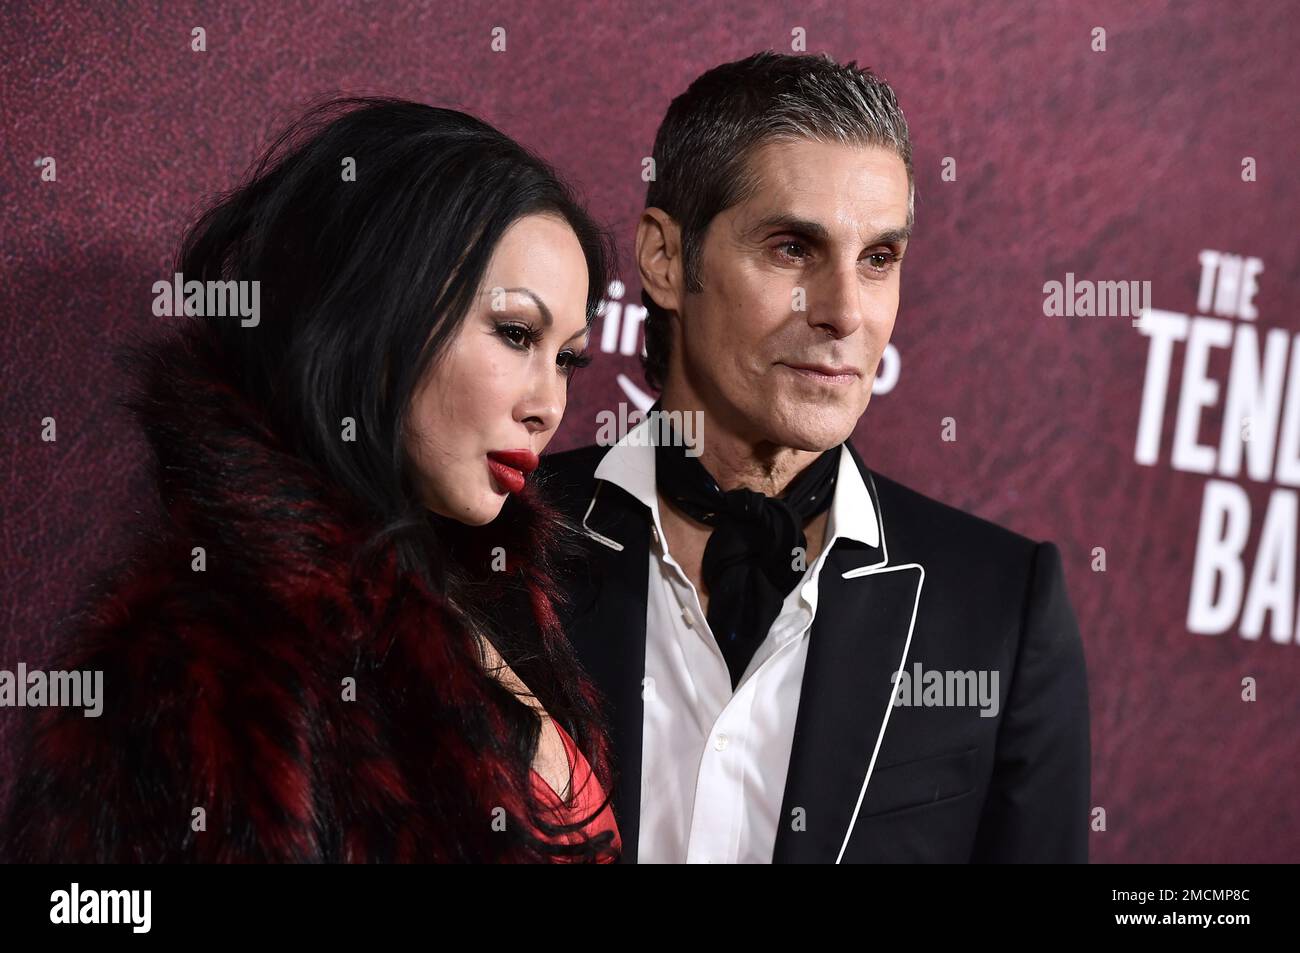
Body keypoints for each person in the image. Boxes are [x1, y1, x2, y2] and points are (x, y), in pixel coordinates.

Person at [1, 97, 621, 863]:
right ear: (376, 312)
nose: (549, 405)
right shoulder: (204, 667)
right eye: (517, 333)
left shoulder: (502, 608)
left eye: (567, 358)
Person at [540, 51, 1090, 863]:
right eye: (793, 248)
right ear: (663, 258)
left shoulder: (1000, 606)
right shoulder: (502, 542)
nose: (844, 312)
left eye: (878, 259)